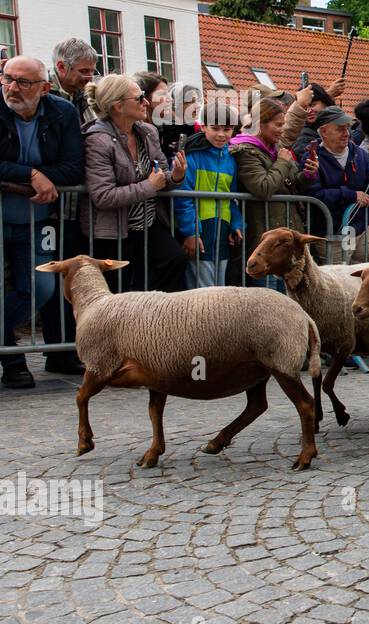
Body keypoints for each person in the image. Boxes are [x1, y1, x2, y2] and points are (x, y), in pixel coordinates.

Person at [1, 56, 85, 388]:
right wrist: (30, 174)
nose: (11, 87)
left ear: (45, 87)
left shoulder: (62, 112)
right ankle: (13, 362)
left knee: (41, 287)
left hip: (36, 218)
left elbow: (73, 168)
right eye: (7, 78)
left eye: (23, 82)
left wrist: (31, 178)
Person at [81, 74, 188, 293]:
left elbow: (162, 177)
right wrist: (150, 186)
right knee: (119, 291)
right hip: (115, 230)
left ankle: (155, 322)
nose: (146, 102)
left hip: (148, 223)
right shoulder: (97, 140)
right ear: (118, 106)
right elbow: (103, 196)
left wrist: (176, 176)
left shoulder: (147, 132)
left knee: (174, 259)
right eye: (139, 98)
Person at [300, 107, 369, 265]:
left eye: (347, 128)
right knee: (337, 281)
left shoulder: (360, 154)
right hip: (330, 233)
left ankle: (367, 285)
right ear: (324, 131)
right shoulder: (311, 157)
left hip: (359, 231)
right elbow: (313, 195)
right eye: (340, 129)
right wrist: (351, 195)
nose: (346, 133)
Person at [230, 97, 317, 285]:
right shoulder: (246, 151)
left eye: (283, 124)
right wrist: (283, 162)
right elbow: (263, 187)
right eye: (278, 125)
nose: (282, 130)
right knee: (269, 298)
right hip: (264, 238)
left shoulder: (274, 148)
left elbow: (291, 182)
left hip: (284, 237)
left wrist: (308, 174)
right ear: (261, 124)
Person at [174, 100, 243, 288]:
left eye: (227, 130)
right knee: (201, 289)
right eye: (216, 128)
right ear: (204, 127)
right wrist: (190, 232)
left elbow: (232, 197)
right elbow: (183, 196)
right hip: (200, 229)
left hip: (222, 230)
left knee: (219, 287)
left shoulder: (231, 159)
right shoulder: (192, 155)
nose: (221, 134)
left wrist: (236, 223)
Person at [48, 38, 97, 126]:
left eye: (93, 71)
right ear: (61, 67)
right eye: (84, 71)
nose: (90, 78)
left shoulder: (84, 93)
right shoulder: (41, 95)